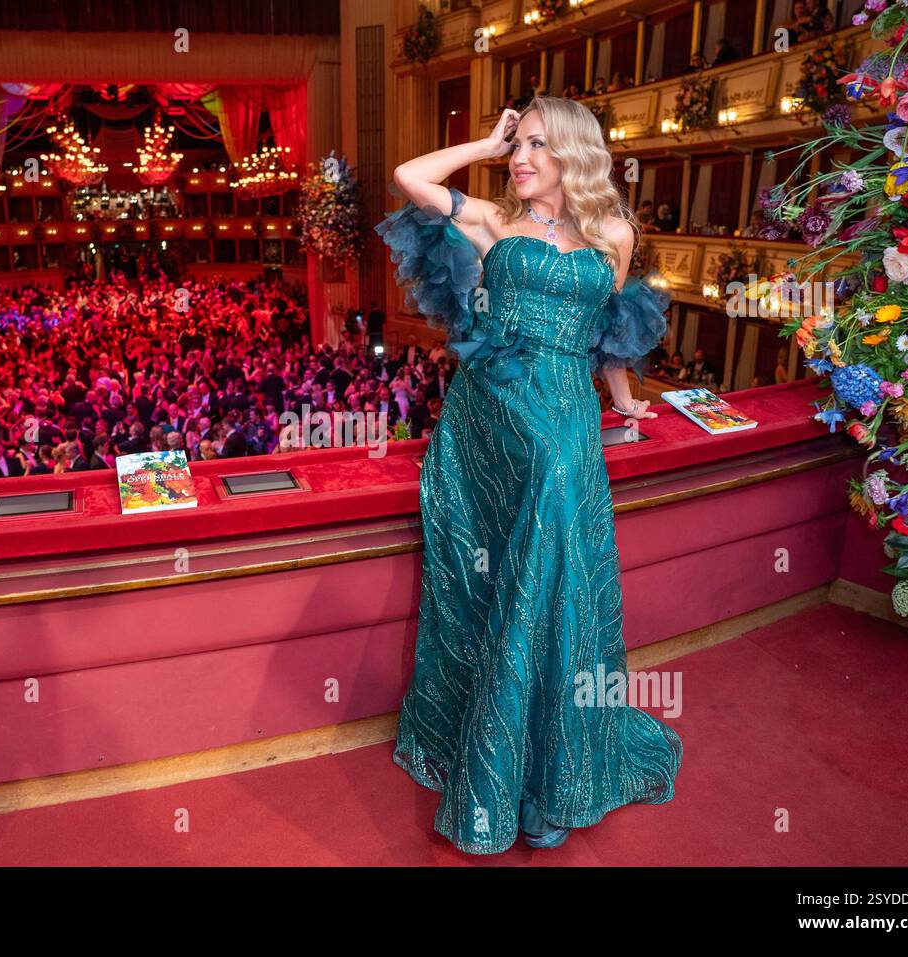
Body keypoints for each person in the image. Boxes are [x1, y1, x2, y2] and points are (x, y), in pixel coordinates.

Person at [377, 95, 680, 855]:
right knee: (522, 540)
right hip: (495, 405)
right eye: (519, 145)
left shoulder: (612, 231)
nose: (522, 158)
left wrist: (626, 400)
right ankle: (501, 767)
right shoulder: (492, 223)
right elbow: (409, 174)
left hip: (566, 412)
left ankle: (548, 775)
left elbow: (611, 336)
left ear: (575, 152)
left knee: (557, 579)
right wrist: (486, 141)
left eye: (538, 145)